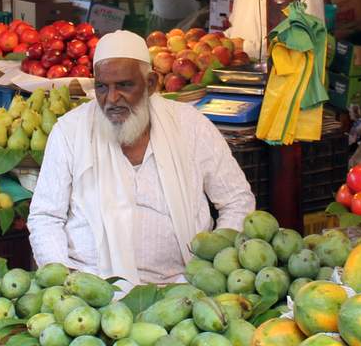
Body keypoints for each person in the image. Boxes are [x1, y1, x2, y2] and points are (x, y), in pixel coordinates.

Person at [27, 31, 255, 286]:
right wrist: (64, 280)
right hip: (90, 290)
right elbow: (46, 216)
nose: (111, 99)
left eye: (124, 85)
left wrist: (215, 266)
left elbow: (236, 200)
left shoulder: (191, 126)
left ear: (151, 84)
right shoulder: (70, 131)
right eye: (102, 87)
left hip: (182, 288)